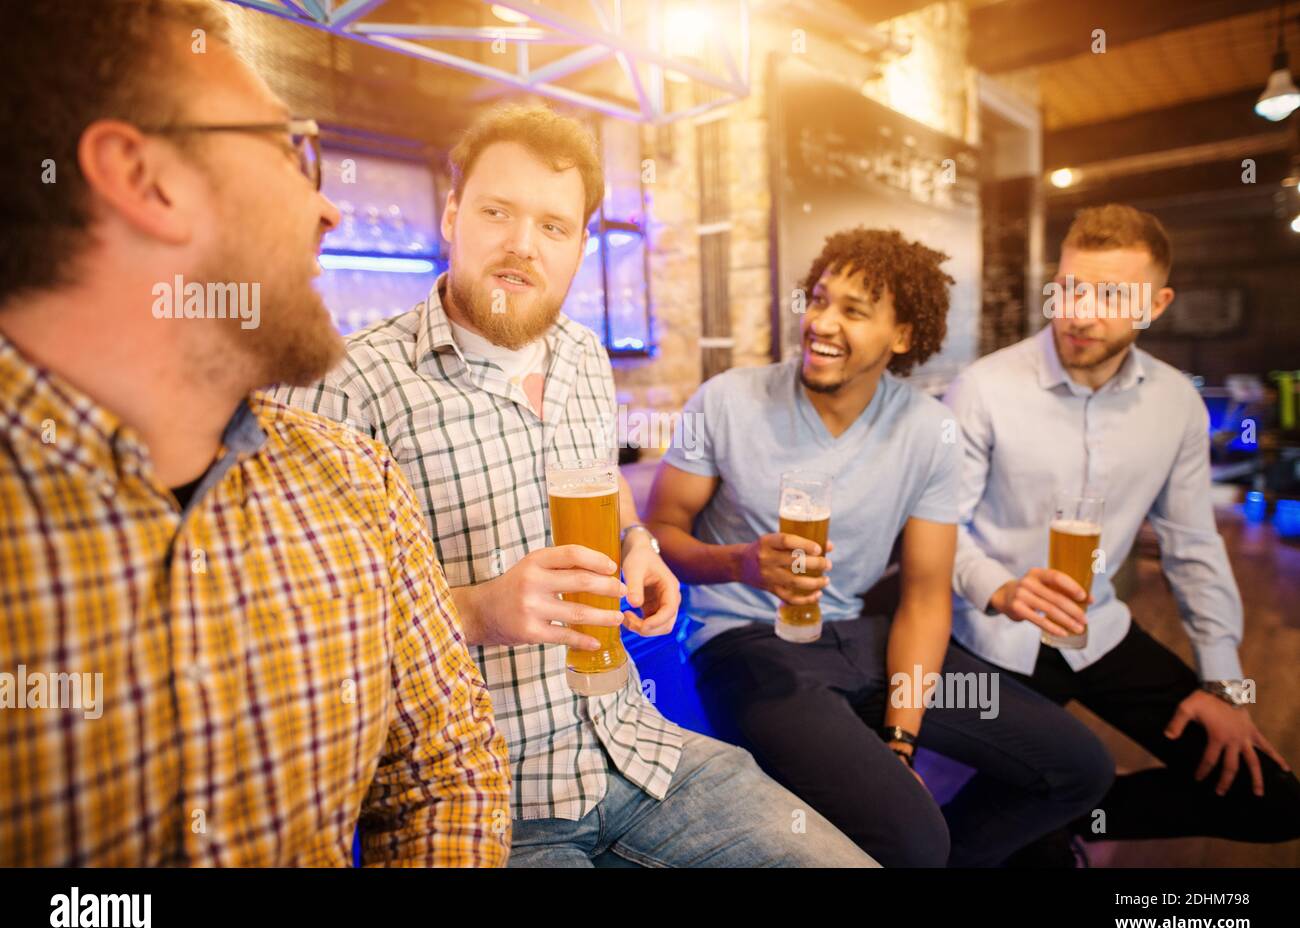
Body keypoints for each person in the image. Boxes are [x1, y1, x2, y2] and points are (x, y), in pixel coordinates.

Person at [276, 104, 874, 867]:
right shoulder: (346, 384)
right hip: (486, 798)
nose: (523, 245)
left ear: (581, 245)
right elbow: (306, 629)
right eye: (498, 212)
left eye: (554, 226)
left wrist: (640, 543)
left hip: (639, 748)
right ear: (453, 213)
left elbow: (609, 493)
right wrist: (472, 612)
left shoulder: (586, 357)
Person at [0, 0, 510, 867]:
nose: (330, 210)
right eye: (287, 151)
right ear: (146, 178)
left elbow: (446, 776)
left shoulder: (352, 482)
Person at [646, 228, 1115, 867]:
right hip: (745, 644)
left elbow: (924, 596)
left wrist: (900, 742)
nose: (820, 323)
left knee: (1080, 768)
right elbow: (659, 538)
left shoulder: (929, 431)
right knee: (913, 839)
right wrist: (743, 564)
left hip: (864, 638)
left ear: (902, 335)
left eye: (852, 310)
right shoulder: (727, 399)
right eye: (818, 300)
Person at [943, 203, 1300, 860]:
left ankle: (1070, 813)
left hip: (1099, 632)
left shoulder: (1175, 403)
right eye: (1071, 287)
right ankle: (1046, 822)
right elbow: (938, 531)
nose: (1079, 312)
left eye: (1111, 295)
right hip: (993, 639)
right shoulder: (983, 389)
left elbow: (1193, 545)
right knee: (1025, 857)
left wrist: (1222, 683)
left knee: (1271, 799)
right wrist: (1001, 587)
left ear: (1156, 304)